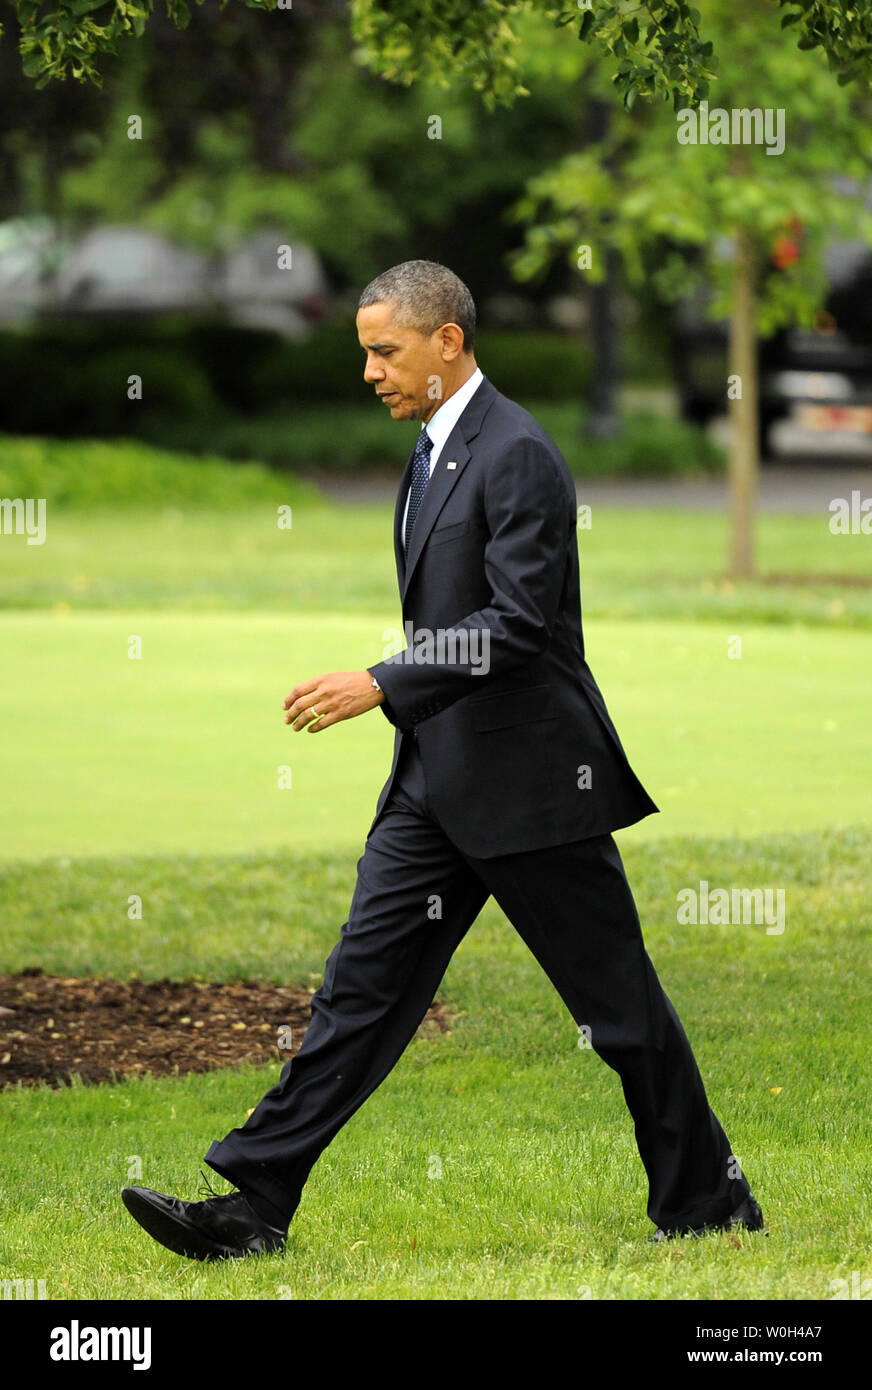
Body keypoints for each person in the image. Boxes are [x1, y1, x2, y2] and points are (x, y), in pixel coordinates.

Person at [121, 259, 764, 1261]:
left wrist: (381, 681)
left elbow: (514, 623)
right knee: (358, 994)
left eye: (385, 350)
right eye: (364, 351)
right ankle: (252, 1206)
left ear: (447, 341)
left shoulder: (516, 453)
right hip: (434, 780)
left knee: (619, 1014)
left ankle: (707, 1199)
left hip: (532, 785)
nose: (370, 370)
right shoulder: (432, 450)